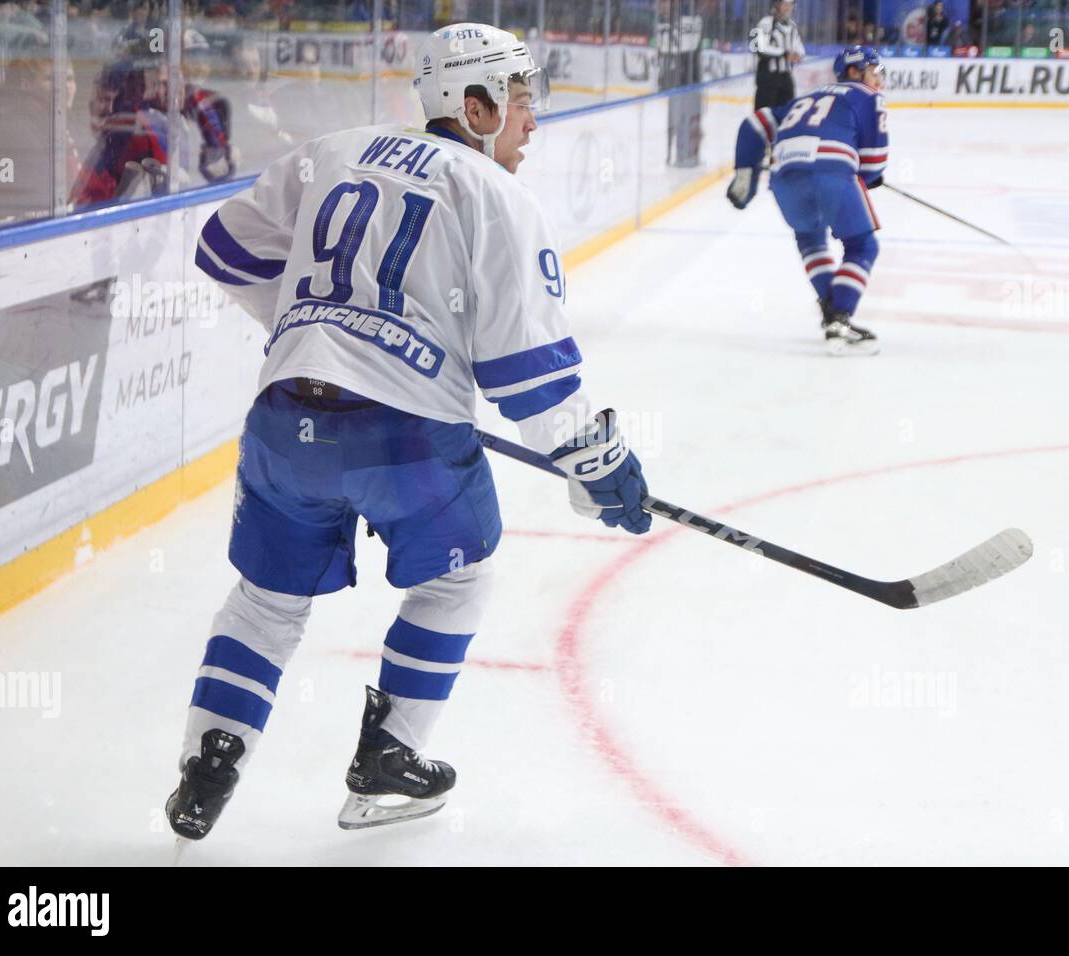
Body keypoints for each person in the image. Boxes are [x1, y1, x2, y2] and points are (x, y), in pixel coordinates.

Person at [165, 23, 651, 841]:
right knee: (457, 581)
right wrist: (597, 458)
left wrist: (312, 330)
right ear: (475, 103)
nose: (535, 121)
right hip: (406, 443)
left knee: (266, 603)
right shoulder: (496, 197)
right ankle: (389, 758)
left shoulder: (335, 149)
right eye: (524, 102)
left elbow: (222, 249)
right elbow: (526, 379)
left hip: (285, 424)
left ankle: (209, 761)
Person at [726, 44, 887, 356]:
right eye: (875, 72)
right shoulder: (868, 97)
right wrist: (868, 177)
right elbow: (874, 160)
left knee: (810, 238)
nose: (879, 80)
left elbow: (755, 123)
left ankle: (831, 312)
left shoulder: (808, 97)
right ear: (854, 72)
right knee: (862, 246)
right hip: (832, 171)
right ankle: (840, 318)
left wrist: (745, 168)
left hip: (783, 174)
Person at [750, 0, 805, 111]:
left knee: (787, 115)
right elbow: (758, 48)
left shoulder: (792, 25)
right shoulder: (765, 22)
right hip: (767, 78)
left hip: (786, 77)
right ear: (777, 4)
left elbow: (799, 47)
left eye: (790, 4)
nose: (788, 8)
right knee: (763, 117)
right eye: (785, 4)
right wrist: (784, 53)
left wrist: (798, 55)